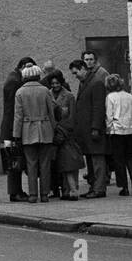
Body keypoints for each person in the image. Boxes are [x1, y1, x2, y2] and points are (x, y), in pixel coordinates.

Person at [13, 62, 59, 202]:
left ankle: (33, 194)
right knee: (45, 164)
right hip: (45, 129)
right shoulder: (45, 90)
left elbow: (18, 116)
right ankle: (45, 194)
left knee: (31, 164)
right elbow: (51, 112)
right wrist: (54, 128)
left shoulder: (20, 92)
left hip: (28, 130)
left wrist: (16, 135)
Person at [70, 56, 110, 198]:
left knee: (97, 159)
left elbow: (98, 107)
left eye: (76, 73)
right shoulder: (85, 83)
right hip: (86, 130)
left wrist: (96, 128)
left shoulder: (96, 83)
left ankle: (99, 188)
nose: (75, 76)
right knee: (91, 160)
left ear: (82, 69)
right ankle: (94, 187)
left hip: (93, 129)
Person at [47, 70, 83, 200]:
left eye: (57, 83)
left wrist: (65, 130)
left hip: (66, 134)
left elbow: (72, 116)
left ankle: (70, 190)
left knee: (68, 163)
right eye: (52, 83)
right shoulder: (48, 95)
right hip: (53, 134)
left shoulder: (69, 96)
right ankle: (61, 189)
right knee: (58, 164)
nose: (55, 85)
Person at [0, 58, 30, 201]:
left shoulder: (13, 78)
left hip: (10, 127)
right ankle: (15, 192)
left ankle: (16, 191)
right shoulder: (15, 81)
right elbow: (13, 109)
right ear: (23, 67)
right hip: (12, 128)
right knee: (15, 162)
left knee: (14, 162)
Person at [105, 74, 132, 195]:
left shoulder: (111, 97)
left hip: (117, 130)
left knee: (119, 159)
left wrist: (108, 129)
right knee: (130, 157)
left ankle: (124, 186)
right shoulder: (131, 97)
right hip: (130, 129)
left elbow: (109, 115)